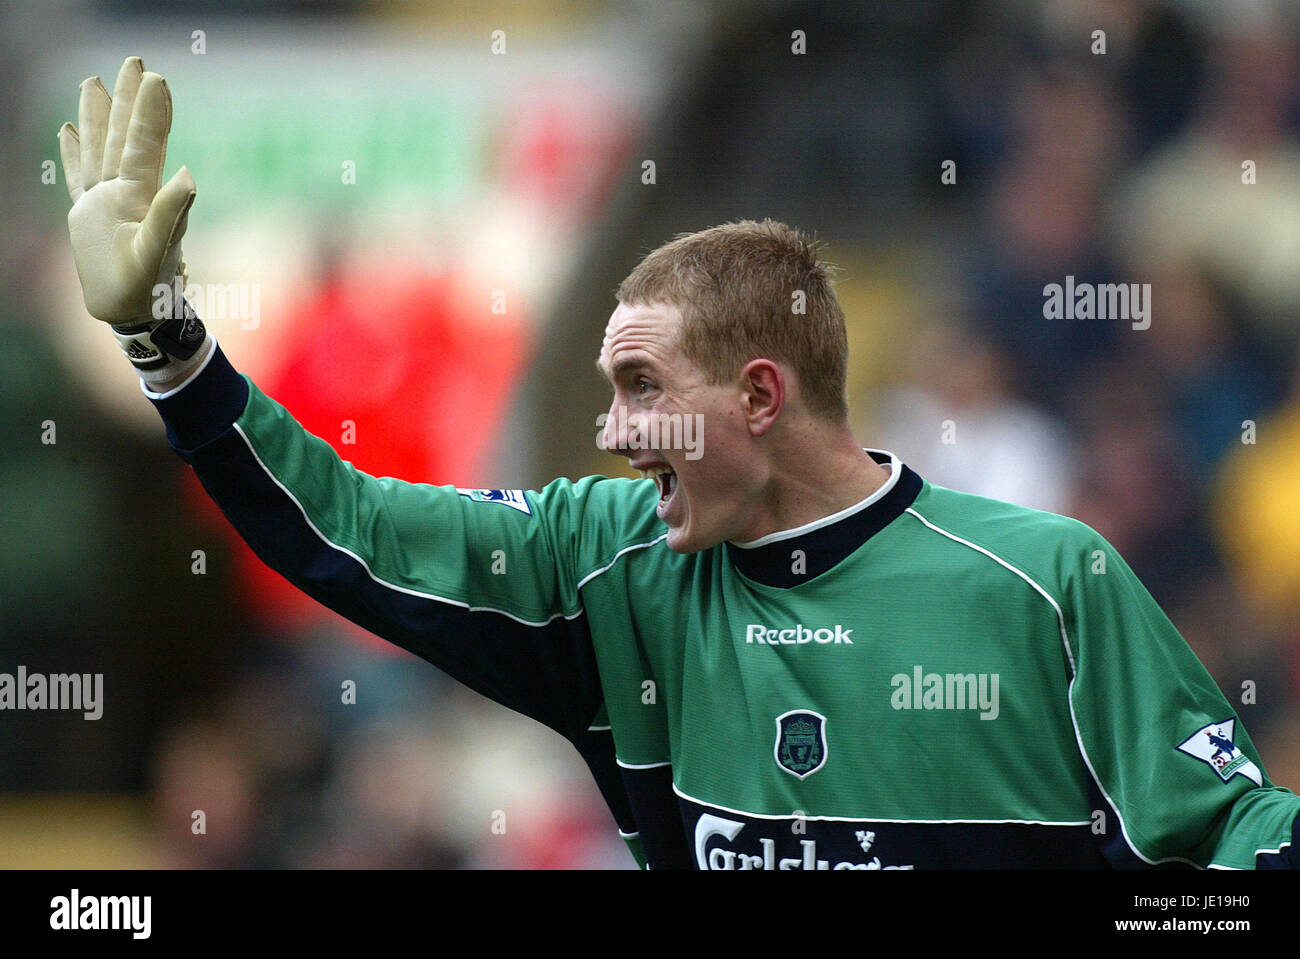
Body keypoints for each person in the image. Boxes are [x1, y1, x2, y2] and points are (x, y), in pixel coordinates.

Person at [59, 57, 1299, 869]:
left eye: (639, 387)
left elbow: (1233, 844)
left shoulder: (1044, 581)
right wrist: (165, 339)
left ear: (760, 394)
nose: (608, 427)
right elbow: (343, 527)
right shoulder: (609, 561)